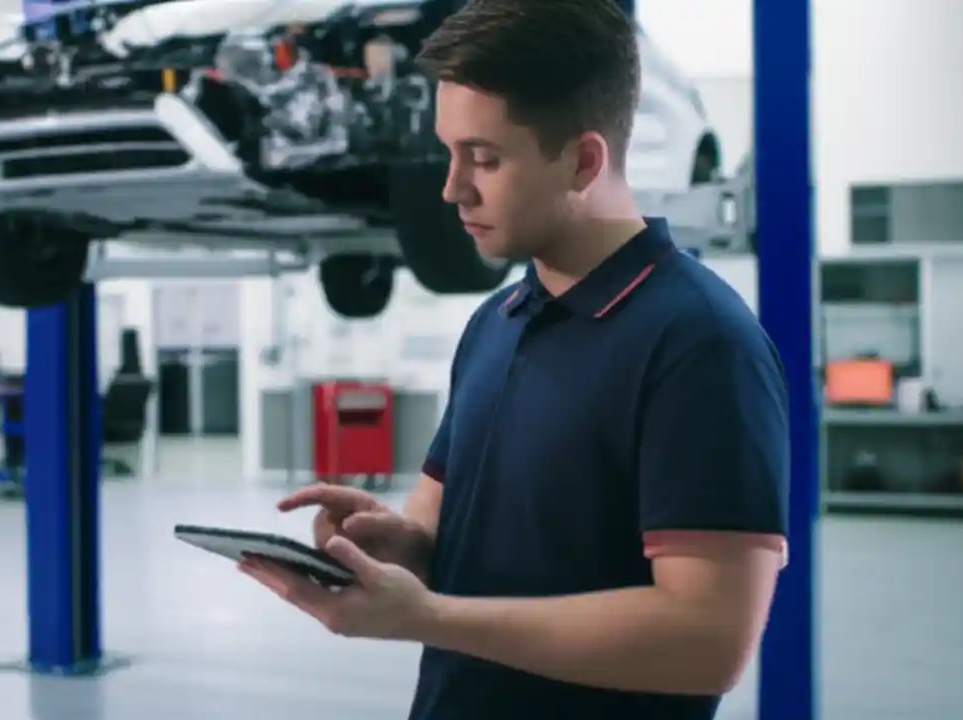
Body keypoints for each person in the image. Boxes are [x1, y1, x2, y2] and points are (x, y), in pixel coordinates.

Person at [238, 1, 791, 718]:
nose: (450, 188)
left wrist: (424, 617)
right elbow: (450, 542)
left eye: (485, 158)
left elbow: (706, 640)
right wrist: (395, 548)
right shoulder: (492, 326)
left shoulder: (701, 344)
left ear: (584, 161)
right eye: (448, 152)